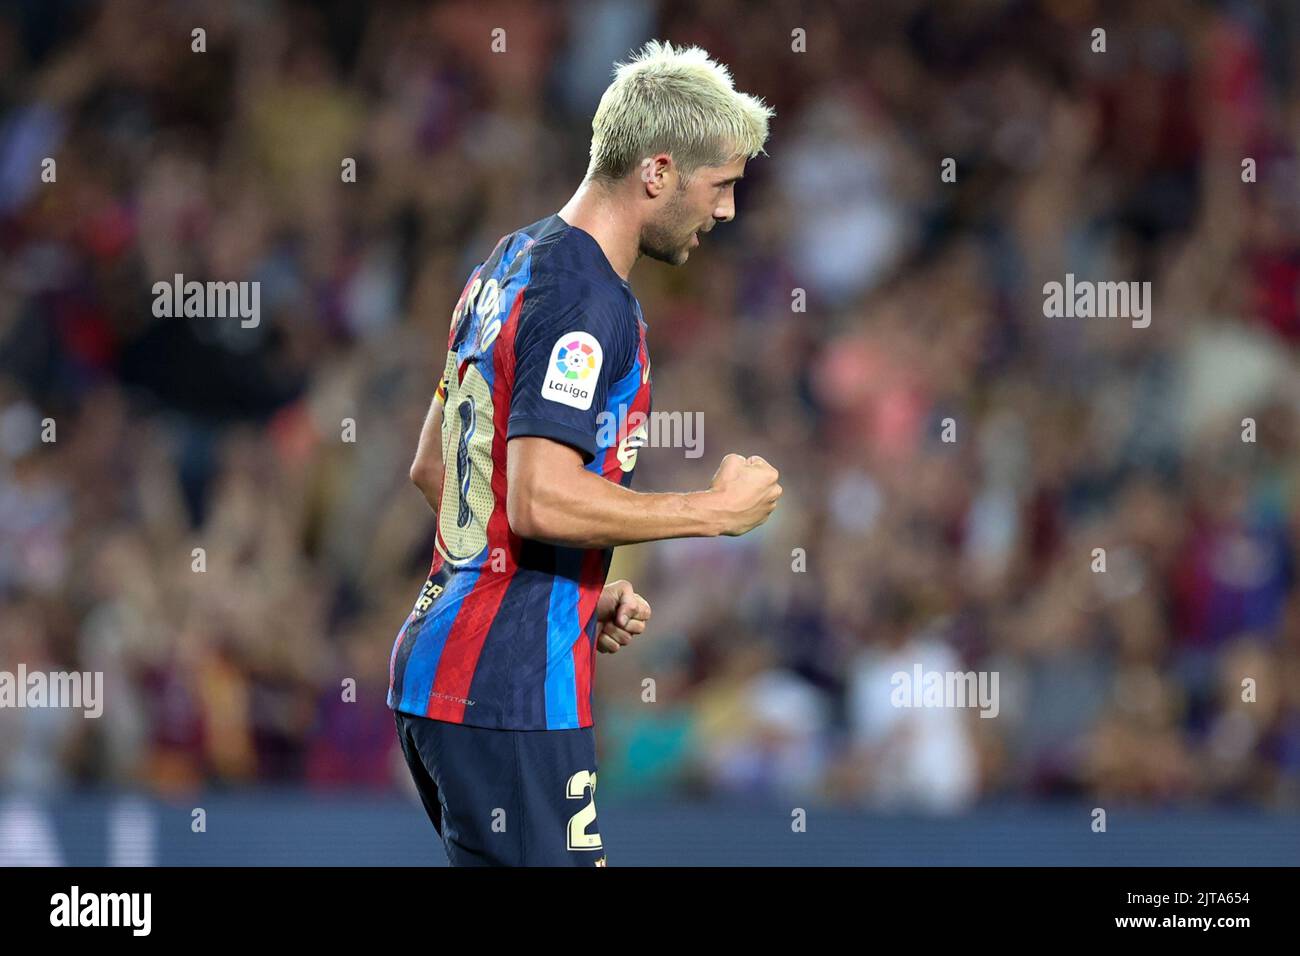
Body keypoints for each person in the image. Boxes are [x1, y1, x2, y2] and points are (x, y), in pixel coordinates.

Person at [388, 39, 781, 866]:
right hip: (508, 690)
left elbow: (441, 467)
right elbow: (533, 496)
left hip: (444, 672)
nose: (727, 212)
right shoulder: (585, 298)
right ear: (659, 171)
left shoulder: (510, 260)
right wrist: (710, 512)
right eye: (721, 186)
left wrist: (565, 587)